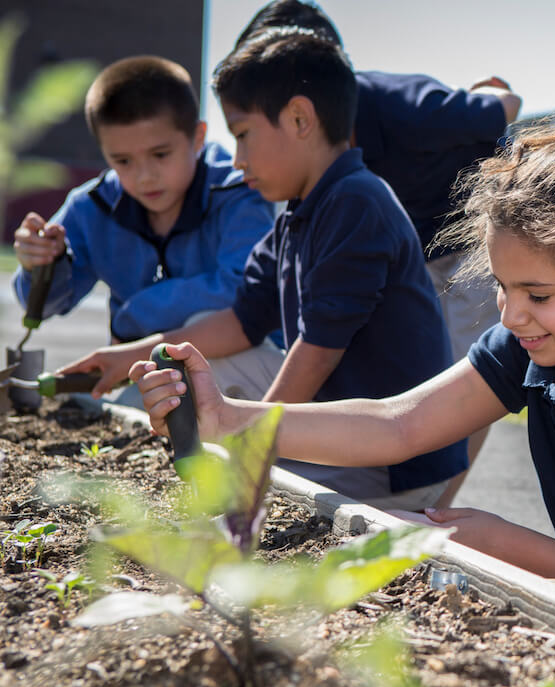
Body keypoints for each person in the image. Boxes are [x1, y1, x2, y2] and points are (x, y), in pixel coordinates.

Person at [131, 109, 555, 625]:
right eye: (501, 286)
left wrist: (508, 544)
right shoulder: (526, 344)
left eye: (538, 295)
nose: (511, 314)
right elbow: (398, 424)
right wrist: (225, 416)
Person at [66, 30, 465, 511]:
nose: (236, 160)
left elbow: (315, 354)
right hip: (342, 426)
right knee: (196, 343)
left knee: (234, 486)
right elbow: (239, 322)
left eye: (242, 135)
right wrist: (125, 355)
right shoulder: (300, 212)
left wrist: (250, 456)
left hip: (391, 462)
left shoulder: (355, 202)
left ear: (299, 119)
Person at [235, 0, 522, 506]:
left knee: (466, 387)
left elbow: (505, 105)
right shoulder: (314, 191)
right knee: (402, 379)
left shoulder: (398, 104)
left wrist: (490, 91)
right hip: (400, 246)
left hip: (463, 246)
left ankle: (427, 508)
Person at [10, 56, 277, 401]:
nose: (144, 176)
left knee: (202, 328)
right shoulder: (91, 206)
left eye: (161, 154)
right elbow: (42, 308)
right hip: (148, 373)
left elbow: (243, 294)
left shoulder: (239, 191)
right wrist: (39, 263)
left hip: (253, 375)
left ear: (197, 137)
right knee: (130, 411)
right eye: (122, 161)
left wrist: (135, 316)